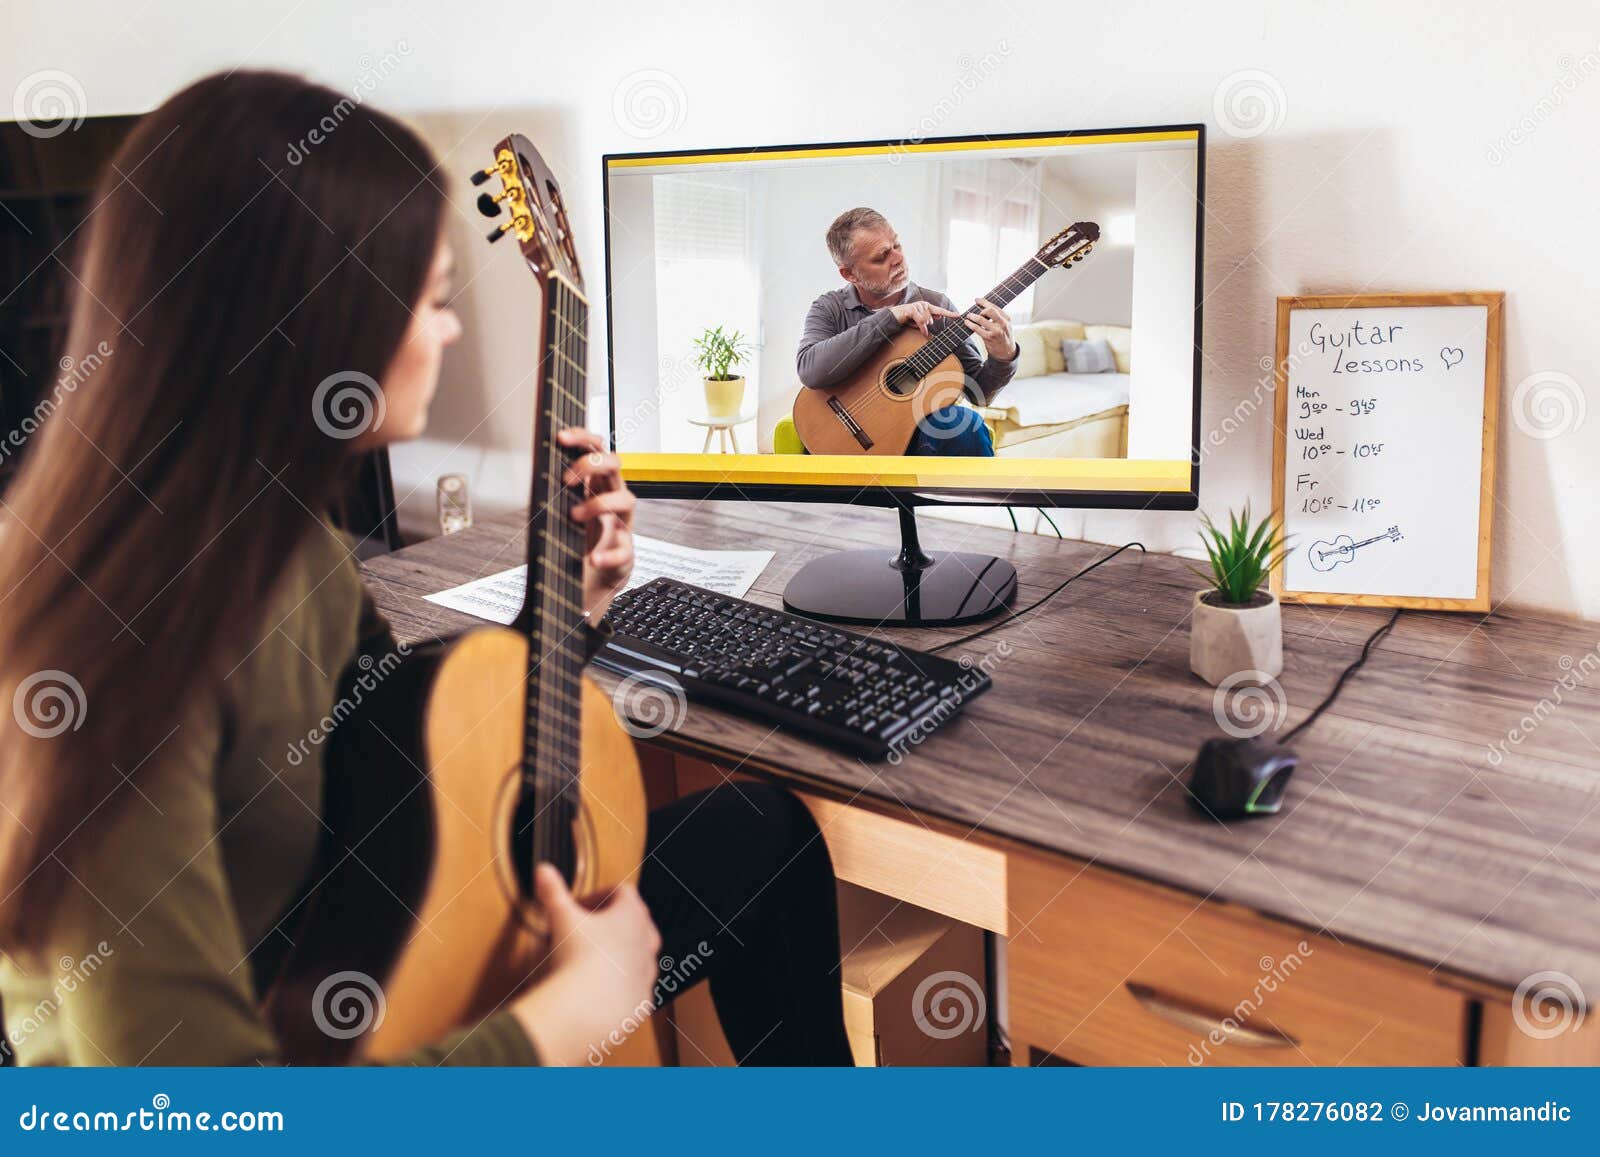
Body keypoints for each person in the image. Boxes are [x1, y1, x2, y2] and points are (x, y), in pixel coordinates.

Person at [0, 70, 851, 1067]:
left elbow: (398, 748)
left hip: (352, 929)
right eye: (432, 299)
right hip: (283, 1053)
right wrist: (560, 1019)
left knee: (762, 829)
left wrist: (570, 607)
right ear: (319, 316)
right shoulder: (120, 640)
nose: (449, 329)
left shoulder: (283, 532)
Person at [796, 207, 1019, 456]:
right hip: (836, 438)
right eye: (881, 257)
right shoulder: (830, 307)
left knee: (966, 425)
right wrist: (891, 316)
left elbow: (979, 394)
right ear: (850, 274)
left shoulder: (938, 306)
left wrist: (1004, 356)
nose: (897, 259)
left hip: (913, 438)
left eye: (897, 245)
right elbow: (810, 371)